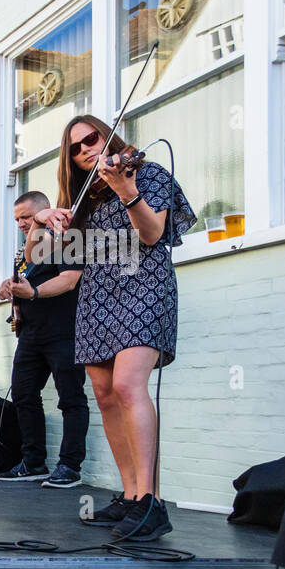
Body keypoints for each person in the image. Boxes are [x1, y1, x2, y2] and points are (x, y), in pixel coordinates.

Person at [27, 115, 195, 541]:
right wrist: (41, 220)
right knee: (104, 395)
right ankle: (131, 493)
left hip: (144, 286)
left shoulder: (148, 173)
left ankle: (152, 503)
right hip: (98, 296)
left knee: (127, 386)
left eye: (91, 138)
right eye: (75, 148)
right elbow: (37, 255)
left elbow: (153, 233)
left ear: (108, 136)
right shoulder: (83, 202)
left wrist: (126, 189)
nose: (85, 148)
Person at [0, 191, 89, 489]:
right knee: (23, 396)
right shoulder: (27, 251)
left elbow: (69, 279)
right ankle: (33, 463)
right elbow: (23, 281)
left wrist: (32, 293)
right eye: (18, 219)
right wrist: (8, 287)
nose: (21, 223)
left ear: (44, 212)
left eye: (26, 216)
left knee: (71, 398)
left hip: (64, 330)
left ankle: (70, 467)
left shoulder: (67, 238)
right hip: (31, 334)